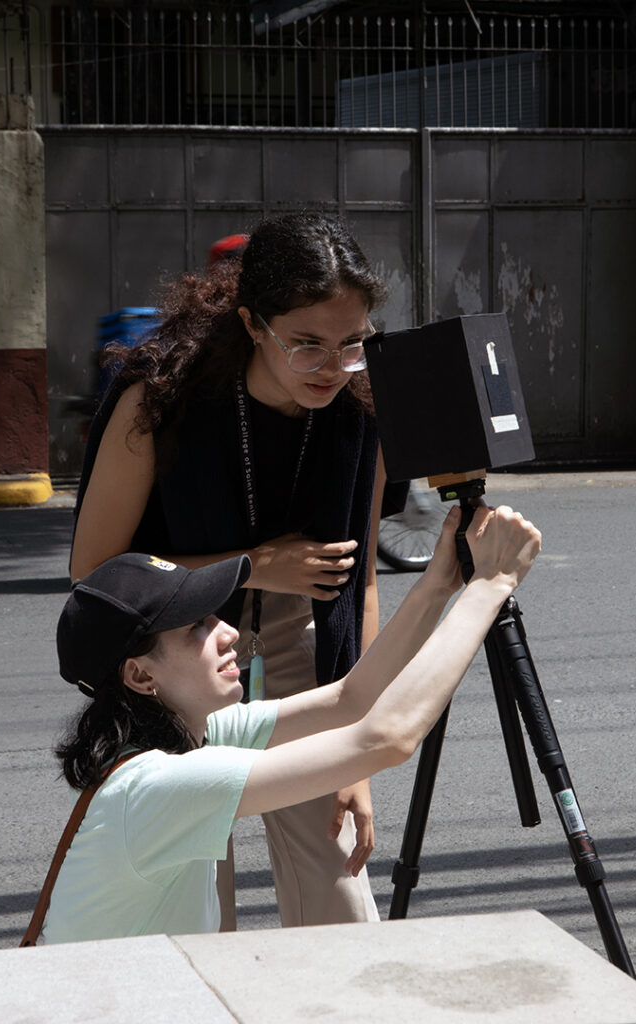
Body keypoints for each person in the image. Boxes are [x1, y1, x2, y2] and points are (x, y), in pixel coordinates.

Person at [68, 212, 396, 930]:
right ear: (253, 324)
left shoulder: (363, 408)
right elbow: (93, 573)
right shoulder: (159, 398)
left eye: (352, 345)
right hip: (178, 642)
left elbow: (360, 581)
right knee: (193, 908)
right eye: (306, 343)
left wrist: (356, 761)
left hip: (302, 627)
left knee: (340, 902)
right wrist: (252, 568)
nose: (332, 368)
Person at [36, 503, 541, 944]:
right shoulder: (159, 786)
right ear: (141, 675)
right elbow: (386, 737)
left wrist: (439, 582)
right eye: (196, 627)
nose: (228, 631)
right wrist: (490, 586)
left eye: (213, 614)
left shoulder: (194, 735)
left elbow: (352, 699)